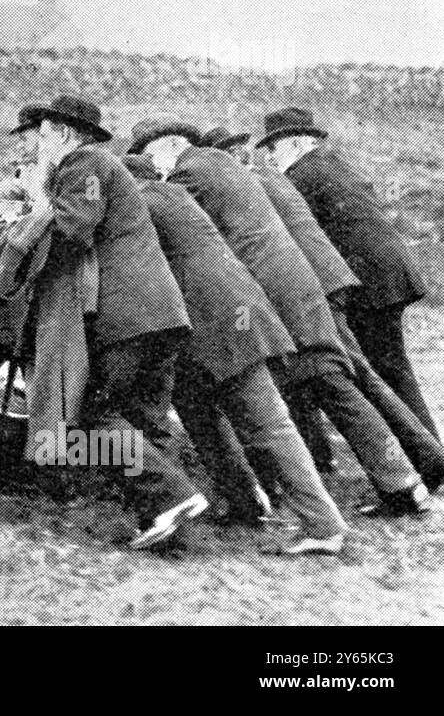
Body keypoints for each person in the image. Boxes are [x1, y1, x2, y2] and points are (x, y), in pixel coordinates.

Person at [134, 118, 432, 518]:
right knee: (334, 382)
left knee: (326, 384)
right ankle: (403, 477)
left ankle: (386, 482)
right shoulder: (227, 168)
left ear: (171, 145)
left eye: (151, 156)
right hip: (298, 282)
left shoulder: (191, 172)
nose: (153, 167)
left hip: (274, 290)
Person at [122, 151, 348, 555]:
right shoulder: (173, 195)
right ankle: (244, 500)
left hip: (220, 324)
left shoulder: (142, 204)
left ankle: (322, 524)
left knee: (269, 426)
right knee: (199, 410)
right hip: (231, 315)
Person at [13, 97, 207, 549]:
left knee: (86, 412)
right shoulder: (99, 165)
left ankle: (171, 497)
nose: (37, 144)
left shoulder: (83, 164)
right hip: (158, 312)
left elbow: (72, 228)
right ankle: (171, 514)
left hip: (128, 315)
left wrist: (39, 198)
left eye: (41, 134)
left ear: (60, 133)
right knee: (143, 413)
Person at [257, 107, 438, 442]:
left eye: (274, 147)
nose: (270, 155)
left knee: (386, 372)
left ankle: (429, 457)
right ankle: (424, 451)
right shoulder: (336, 164)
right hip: (393, 273)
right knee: (391, 368)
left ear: (295, 144)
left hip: (369, 283)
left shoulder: (299, 178)